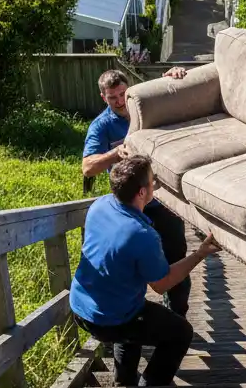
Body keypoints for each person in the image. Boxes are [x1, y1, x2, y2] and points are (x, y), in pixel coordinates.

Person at [70, 154, 220, 385]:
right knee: (181, 333)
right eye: (152, 181)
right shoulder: (142, 235)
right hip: (110, 319)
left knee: (134, 316)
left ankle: (124, 381)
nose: (155, 184)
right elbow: (161, 285)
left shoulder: (99, 205)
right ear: (141, 192)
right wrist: (199, 254)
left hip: (80, 308)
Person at [82, 68, 191, 316]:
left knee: (176, 262)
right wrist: (115, 153)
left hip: (164, 202)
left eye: (123, 94)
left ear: (129, 90)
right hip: (129, 210)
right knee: (130, 266)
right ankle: (130, 319)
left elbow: (179, 95)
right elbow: (87, 168)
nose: (120, 102)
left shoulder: (146, 107)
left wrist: (173, 76)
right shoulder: (101, 126)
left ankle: (177, 317)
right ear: (103, 97)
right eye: (113, 98)